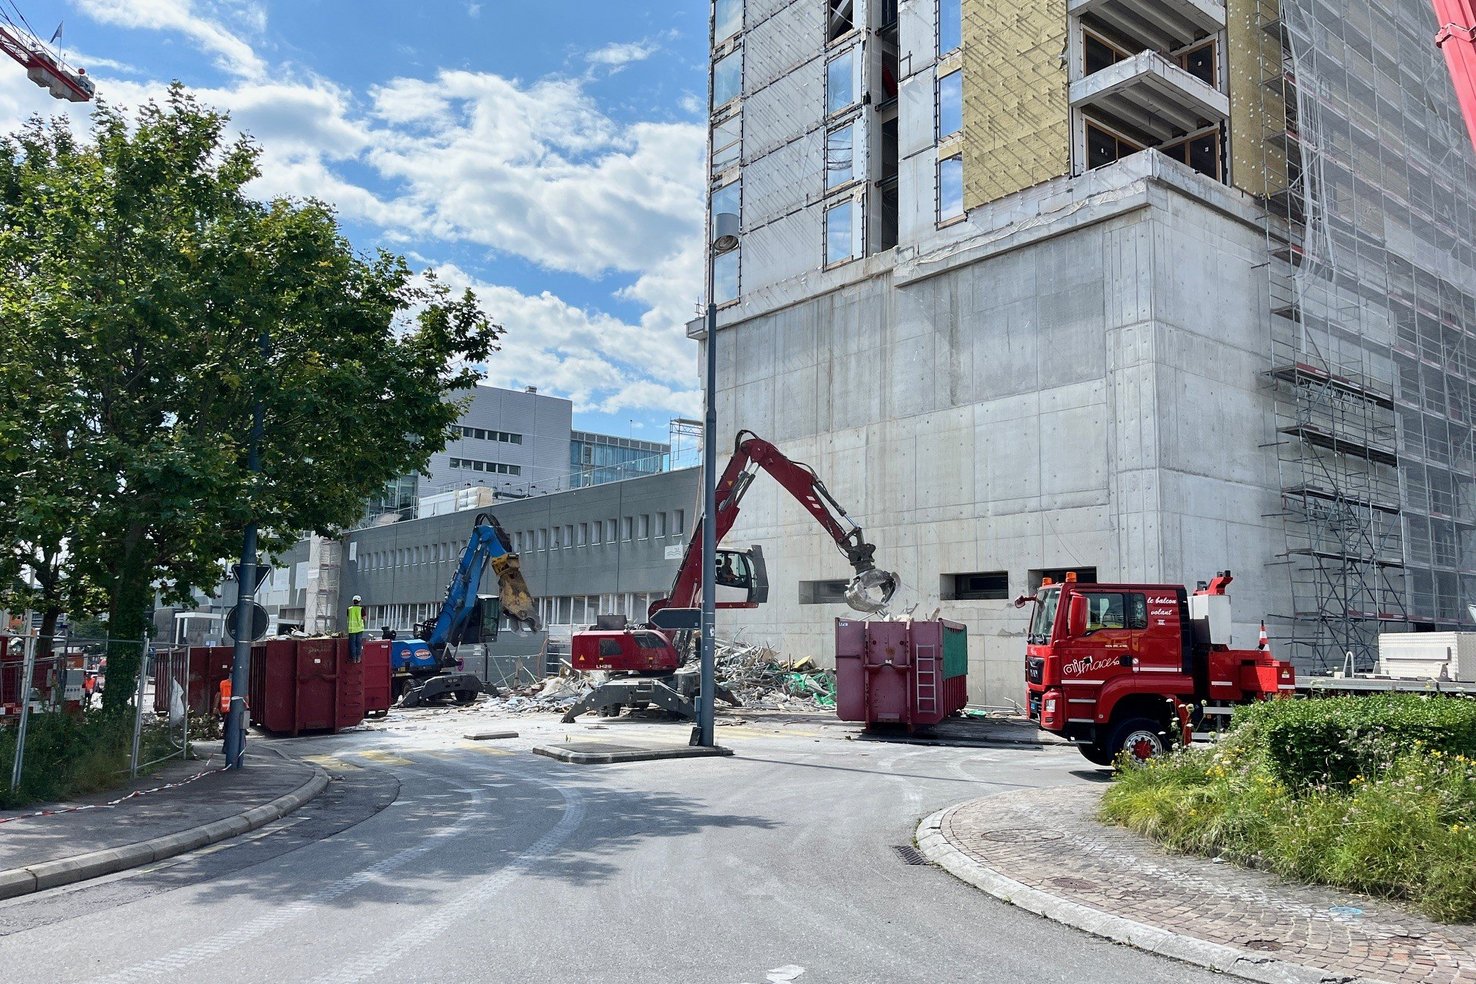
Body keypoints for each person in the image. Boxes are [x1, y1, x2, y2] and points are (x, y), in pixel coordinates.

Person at [346, 595, 366, 662]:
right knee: (359, 643)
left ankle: (354, 658)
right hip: (359, 629)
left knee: (352, 644)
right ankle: (358, 658)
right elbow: (364, 618)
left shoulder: (349, 609)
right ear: (359, 601)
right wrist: (364, 624)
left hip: (351, 629)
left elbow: (348, 617)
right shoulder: (361, 609)